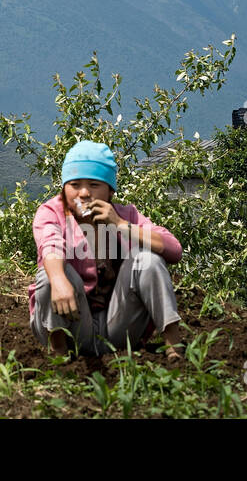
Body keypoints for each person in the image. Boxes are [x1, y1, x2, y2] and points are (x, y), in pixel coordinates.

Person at [27, 140, 186, 360]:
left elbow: (173, 249)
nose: (83, 193)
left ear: (110, 190)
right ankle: (59, 355)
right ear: (64, 189)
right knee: (49, 274)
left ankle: (174, 347)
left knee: (148, 259)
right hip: (73, 325)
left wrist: (120, 225)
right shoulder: (51, 212)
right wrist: (59, 280)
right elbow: (50, 245)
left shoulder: (126, 215)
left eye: (94, 185)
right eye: (74, 184)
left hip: (117, 327)